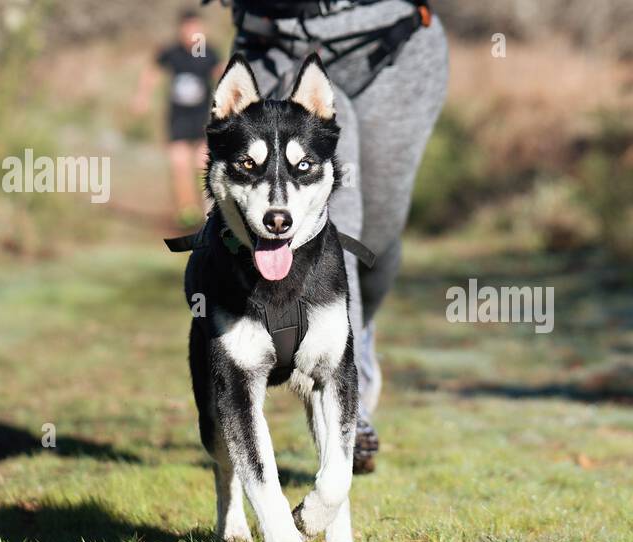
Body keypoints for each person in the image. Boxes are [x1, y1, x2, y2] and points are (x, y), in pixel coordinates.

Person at [218, 0, 449, 473]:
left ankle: (357, 331)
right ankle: (349, 398)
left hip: (391, 39)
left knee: (377, 241)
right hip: (278, 39)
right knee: (334, 217)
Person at [133, 10, 223, 227]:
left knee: (202, 163)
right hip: (178, 118)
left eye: (196, 28)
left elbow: (222, 74)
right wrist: (142, 96)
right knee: (179, 163)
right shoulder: (172, 52)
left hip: (203, 118)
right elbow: (152, 70)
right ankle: (186, 211)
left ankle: (210, 210)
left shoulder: (208, 53)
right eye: (188, 28)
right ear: (181, 29)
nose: (192, 33)